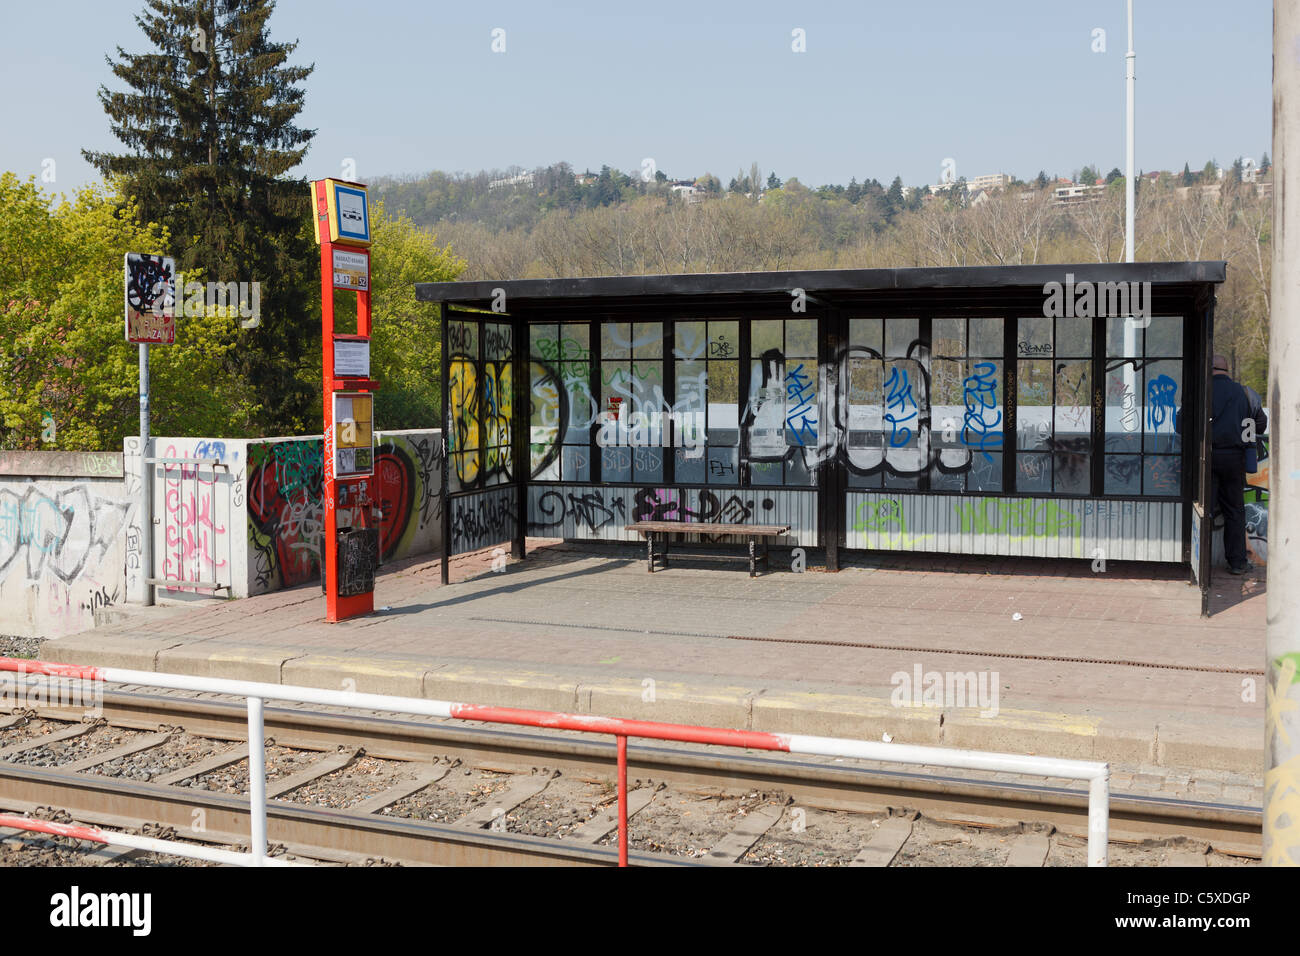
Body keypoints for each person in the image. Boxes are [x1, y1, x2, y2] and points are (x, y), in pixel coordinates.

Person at [1210, 355, 1268, 574]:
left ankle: (1199, 562)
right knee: (1234, 511)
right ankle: (1237, 563)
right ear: (1227, 370)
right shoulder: (1246, 393)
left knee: (1203, 509)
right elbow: (1261, 424)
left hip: (1206, 457)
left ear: (1210, 369)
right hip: (1236, 459)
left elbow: (1181, 425)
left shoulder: (1201, 391)